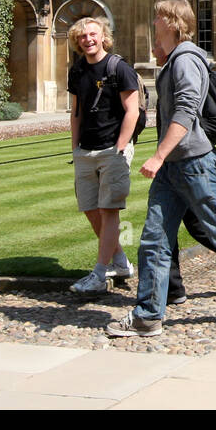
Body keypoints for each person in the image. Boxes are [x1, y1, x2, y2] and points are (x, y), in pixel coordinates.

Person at [107, 0, 216, 338]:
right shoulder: (175, 60)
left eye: (158, 17)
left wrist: (158, 156)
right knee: (154, 240)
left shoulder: (186, 61)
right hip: (175, 166)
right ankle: (148, 315)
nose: (153, 22)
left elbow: (186, 112)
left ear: (172, 22)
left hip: (191, 163)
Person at [66, 16, 140, 295]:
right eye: (83, 36)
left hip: (113, 147)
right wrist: (75, 147)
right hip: (85, 148)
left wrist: (121, 147)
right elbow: (76, 111)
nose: (88, 39)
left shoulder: (119, 68)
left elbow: (132, 110)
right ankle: (120, 261)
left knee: (109, 210)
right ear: (77, 40)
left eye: (93, 34)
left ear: (103, 36)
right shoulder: (77, 70)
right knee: (89, 208)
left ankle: (99, 273)